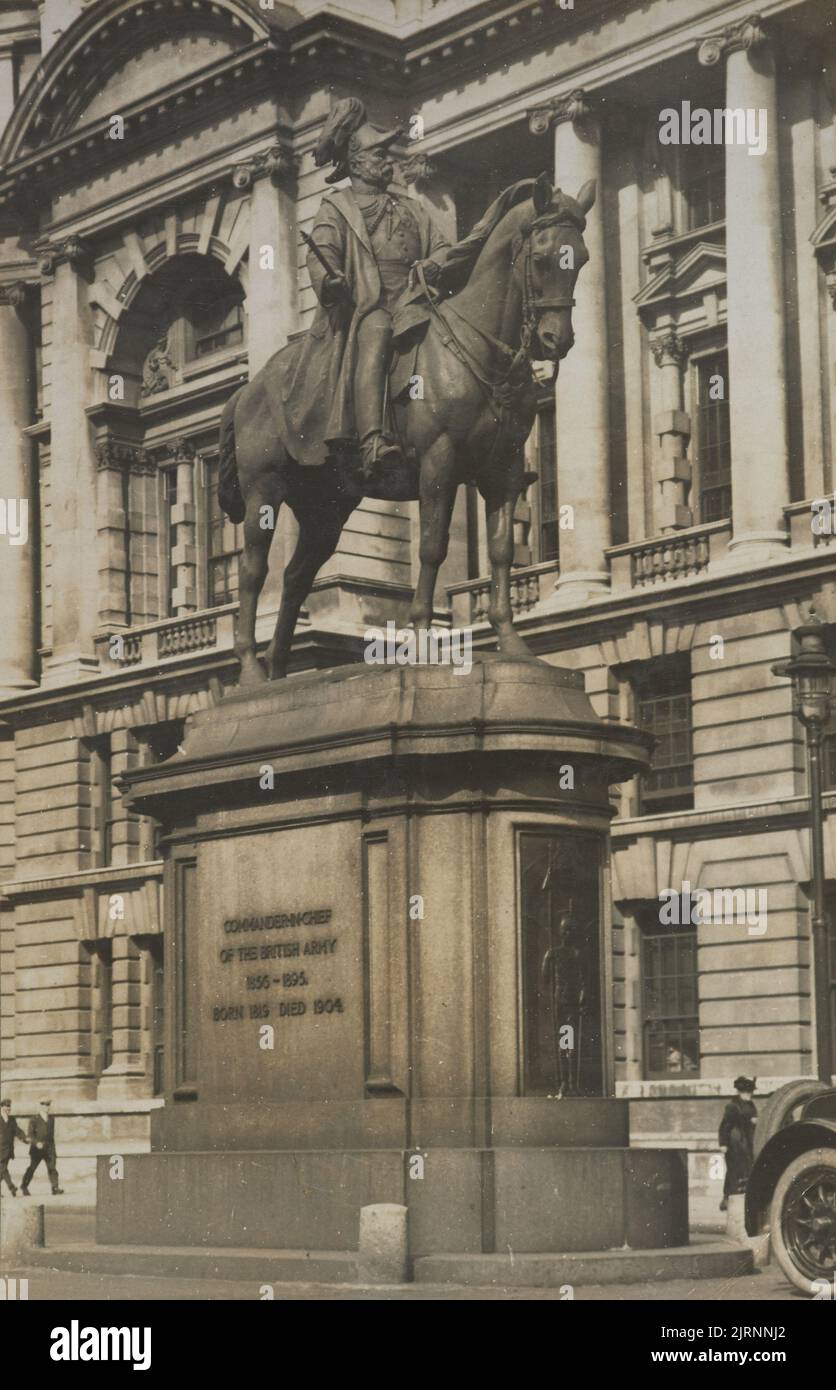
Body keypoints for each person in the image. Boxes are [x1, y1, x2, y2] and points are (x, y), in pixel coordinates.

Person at [285, 97, 452, 498]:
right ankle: (372, 440)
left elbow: (444, 246)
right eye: (379, 153)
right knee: (376, 333)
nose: (388, 161)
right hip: (370, 306)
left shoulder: (414, 208)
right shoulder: (336, 208)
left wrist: (434, 264)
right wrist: (332, 281)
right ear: (357, 160)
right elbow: (319, 254)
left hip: (418, 300)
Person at [718, 1076, 757, 1211]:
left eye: (751, 1092)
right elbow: (725, 1125)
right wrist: (723, 1143)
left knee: (746, 1168)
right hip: (734, 1141)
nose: (750, 1095)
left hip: (747, 1140)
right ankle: (728, 1197)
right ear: (741, 1092)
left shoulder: (750, 1104)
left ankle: (742, 1196)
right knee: (734, 1169)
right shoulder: (732, 1106)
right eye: (748, 1092)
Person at [20, 1098, 64, 1196]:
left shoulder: (51, 1119)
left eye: (48, 1105)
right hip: (37, 1150)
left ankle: (55, 1187)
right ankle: (24, 1186)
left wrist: (53, 1150)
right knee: (32, 1168)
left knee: (52, 1168)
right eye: (45, 1105)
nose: (47, 1107)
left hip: (49, 1149)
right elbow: (30, 1135)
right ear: (41, 1106)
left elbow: (51, 1136)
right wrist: (36, 1143)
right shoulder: (34, 1119)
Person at [0, 1097, 27, 1196]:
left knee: (2, 1169)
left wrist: (24, 1138)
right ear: (1, 1107)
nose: (8, 1108)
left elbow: (17, 1131)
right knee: (3, 1168)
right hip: (0, 1149)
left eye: (9, 1106)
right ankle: (12, 1187)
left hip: (9, 1149)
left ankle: (11, 1187)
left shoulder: (12, 1119)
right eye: (6, 1106)